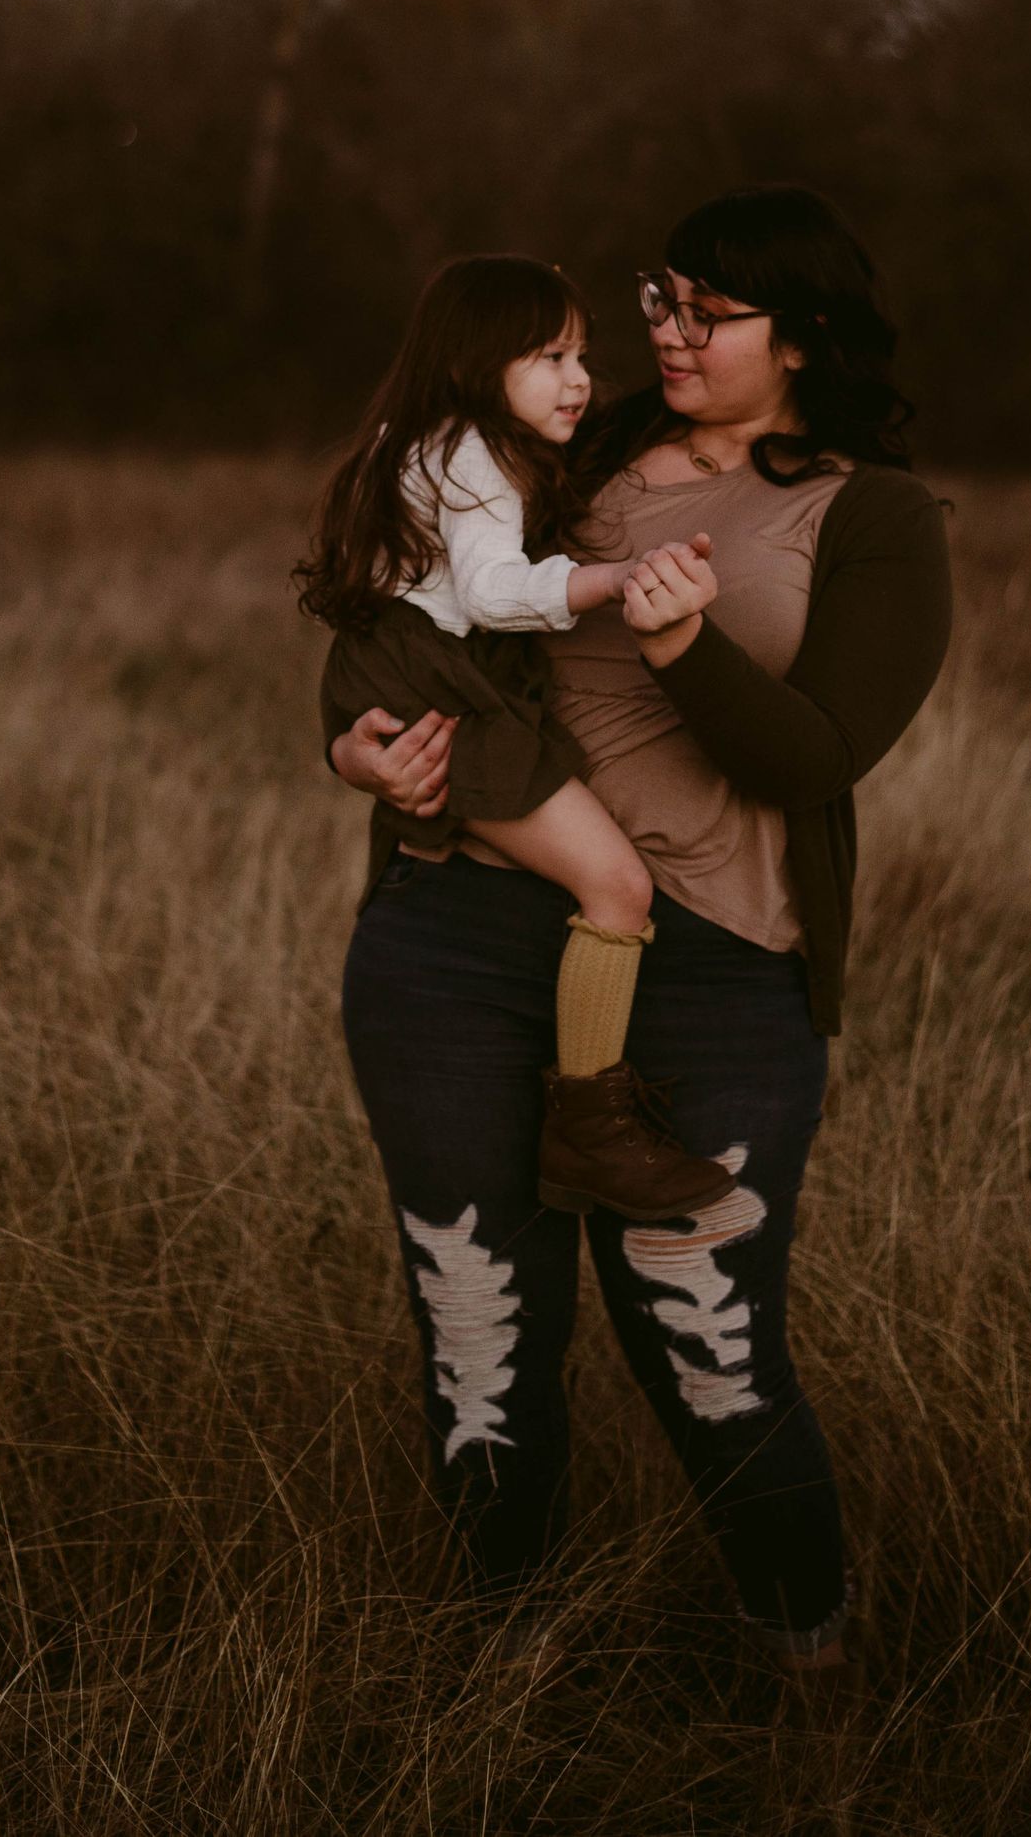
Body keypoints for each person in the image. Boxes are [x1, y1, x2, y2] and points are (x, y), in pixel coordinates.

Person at [326, 186, 953, 1676]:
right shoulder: (574, 452)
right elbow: (417, 626)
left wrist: (681, 648)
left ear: (797, 338)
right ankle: (505, 1678)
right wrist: (363, 753)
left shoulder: (873, 514)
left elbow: (811, 758)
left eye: (700, 312)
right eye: (655, 298)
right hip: (459, 941)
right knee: (481, 1334)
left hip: (719, 970)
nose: (658, 331)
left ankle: (808, 1661)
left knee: (709, 1351)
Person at [295, 252, 733, 1220]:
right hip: (444, 684)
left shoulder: (412, 440)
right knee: (617, 885)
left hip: (411, 674)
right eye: (548, 356)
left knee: (530, 865)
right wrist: (611, 582)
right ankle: (591, 1127)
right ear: (474, 360)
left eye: (582, 354)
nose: (580, 379)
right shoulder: (472, 453)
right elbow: (493, 591)